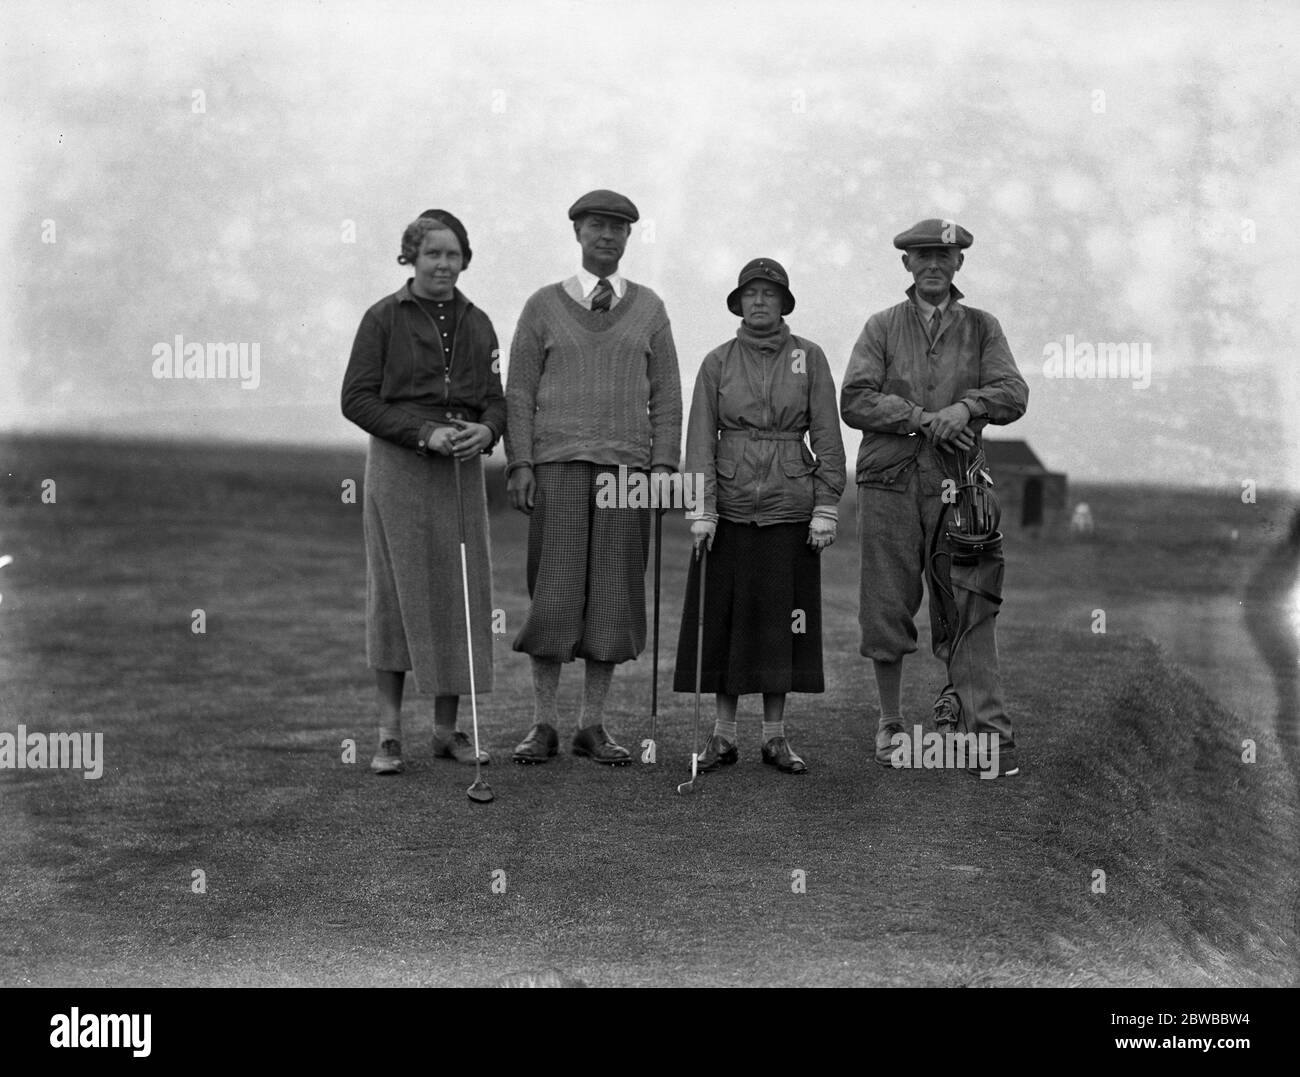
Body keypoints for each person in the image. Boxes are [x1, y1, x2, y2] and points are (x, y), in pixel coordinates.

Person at [840, 218, 1028, 778]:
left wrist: (966, 409)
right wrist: (923, 418)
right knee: (887, 601)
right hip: (888, 482)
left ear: (959, 264)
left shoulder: (982, 327)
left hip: (959, 485)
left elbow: (1013, 392)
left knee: (966, 597)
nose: (933, 265)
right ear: (906, 264)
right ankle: (891, 722)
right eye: (922, 256)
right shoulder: (881, 327)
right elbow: (854, 399)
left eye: (944, 256)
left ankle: (974, 722)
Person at [505, 189, 682, 765]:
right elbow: (520, 390)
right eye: (595, 225)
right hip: (555, 466)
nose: (606, 235)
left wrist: (663, 469)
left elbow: (668, 396)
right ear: (577, 232)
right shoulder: (542, 306)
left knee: (612, 596)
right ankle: (543, 724)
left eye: (618, 228)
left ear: (629, 237)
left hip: (629, 471)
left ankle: (593, 725)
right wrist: (521, 462)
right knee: (554, 595)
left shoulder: (651, 308)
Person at [341, 209, 506, 775]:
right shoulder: (382, 318)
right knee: (394, 593)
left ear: (465, 260)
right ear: (410, 256)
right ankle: (388, 735)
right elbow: (357, 400)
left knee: (457, 593)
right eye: (432, 253)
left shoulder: (478, 322)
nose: (443, 264)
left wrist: (486, 431)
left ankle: (446, 730)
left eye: (453, 254)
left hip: (459, 466)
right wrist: (423, 432)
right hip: (399, 465)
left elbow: (495, 398)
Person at [673, 258, 846, 775]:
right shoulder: (717, 361)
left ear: (784, 302)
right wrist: (701, 508)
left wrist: (826, 504)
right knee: (723, 621)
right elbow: (700, 440)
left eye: (770, 293)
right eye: (751, 293)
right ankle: (723, 736)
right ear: (739, 301)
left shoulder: (808, 358)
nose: (760, 301)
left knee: (781, 625)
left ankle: (775, 737)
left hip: (790, 509)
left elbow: (828, 436)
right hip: (726, 511)